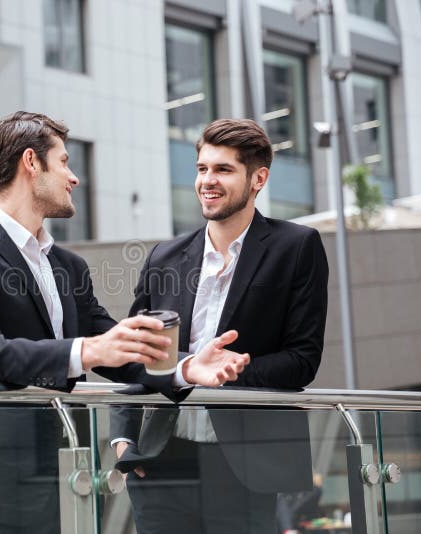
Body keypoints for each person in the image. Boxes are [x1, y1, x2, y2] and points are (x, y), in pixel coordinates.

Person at [0, 111, 250, 534]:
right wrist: (89, 350)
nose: (73, 178)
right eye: (64, 162)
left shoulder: (67, 266)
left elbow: (118, 349)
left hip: (65, 471)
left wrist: (184, 368)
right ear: (30, 163)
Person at [112, 118, 330, 534]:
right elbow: (134, 354)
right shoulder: (165, 257)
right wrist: (123, 442)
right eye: (202, 169)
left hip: (246, 466)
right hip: (161, 461)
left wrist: (230, 372)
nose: (207, 181)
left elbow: (303, 359)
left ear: (258, 178)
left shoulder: (297, 247)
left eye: (223, 170)